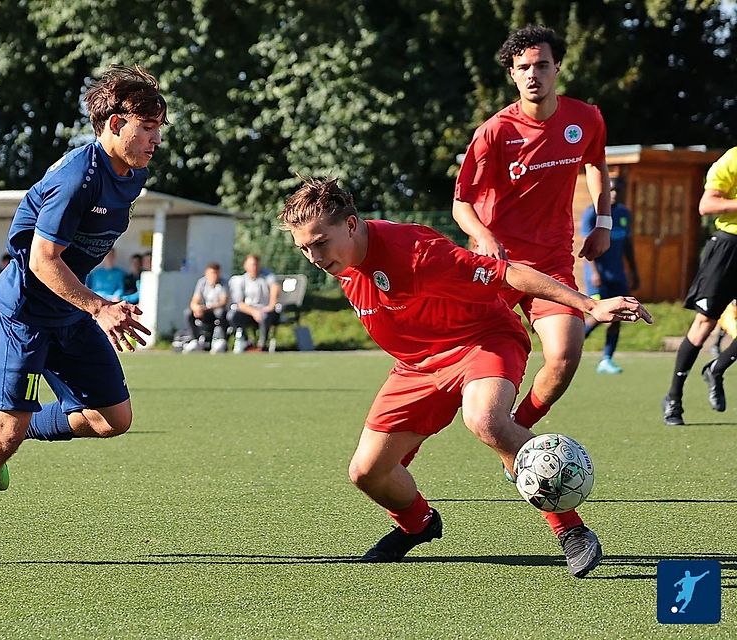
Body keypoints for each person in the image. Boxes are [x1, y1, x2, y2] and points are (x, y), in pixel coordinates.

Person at [279, 177, 651, 577]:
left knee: (486, 421)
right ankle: (418, 525)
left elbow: (509, 274)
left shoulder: (416, 252)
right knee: (367, 473)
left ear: (351, 225)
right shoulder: (344, 259)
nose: (314, 257)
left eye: (319, 243)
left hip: (480, 343)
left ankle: (571, 530)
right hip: (417, 366)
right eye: (304, 248)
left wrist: (588, 305)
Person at [0, 64, 164, 568]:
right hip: (24, 313)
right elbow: (43, 260)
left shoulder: (132, 175)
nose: (156, 138)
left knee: (114, 419)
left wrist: (89, 308)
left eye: (160, 128)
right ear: (115, 124)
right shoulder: (77, 179)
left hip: (67, 312)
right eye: (147, 127)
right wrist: (101, 307)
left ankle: (2, 424)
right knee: (5, 438)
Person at [453, 25, 611, 433]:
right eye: (523, 67)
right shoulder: (495, 131)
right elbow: (461, 204)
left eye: (542, 65)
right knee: (454, 369)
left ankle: (519, 432)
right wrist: (485, 237)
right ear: (512, 73)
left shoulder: (585, 118)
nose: (532, 74)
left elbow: (595, 163)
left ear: (557, 66)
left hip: (552, 262)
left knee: (564, 355)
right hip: (496, 267)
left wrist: (603, 222)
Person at [662, 146, 737, 425]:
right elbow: (707, 205)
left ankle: (716, 368)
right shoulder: (733, 159)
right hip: (728, 249)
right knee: (705, 323)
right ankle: (673, 397)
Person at [581, 180, 640, 374]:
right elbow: (586, 245)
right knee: (597, 314)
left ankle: (606, 359)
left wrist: (633, 270)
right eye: (610, 190)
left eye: (616, 190)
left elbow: (628, 244)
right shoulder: (592, 214)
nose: (613, 194)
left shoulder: (624, 213)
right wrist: (594, 272)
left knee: (617, 317)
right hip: (598, 277)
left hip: (618, 275)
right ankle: (570, 346)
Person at [228, 254, 280, 352]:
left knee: (264, 316)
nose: (254, 267)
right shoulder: (240, 280)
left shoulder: (267, 276)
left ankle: (262, 346)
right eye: (251, 265)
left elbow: (275, 287)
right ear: (245, 266)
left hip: (265, 310)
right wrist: (253, 312)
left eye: (256, 264)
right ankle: (246, 342)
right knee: (232, 316)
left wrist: (271, 305)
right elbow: (239, 303)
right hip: (249, 311)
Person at [183, 262, 229, 352]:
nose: (214, 276)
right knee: (188, 313)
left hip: (215, 310)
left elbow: (223, 302)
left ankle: (221, 340)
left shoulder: (224, 283)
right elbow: (194, 301)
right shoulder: (202, 282)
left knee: (221, 313)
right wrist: (197, 308)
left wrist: (207, 307)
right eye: (211, 273)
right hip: (204, 311)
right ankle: (194, 340)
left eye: (216, 273)